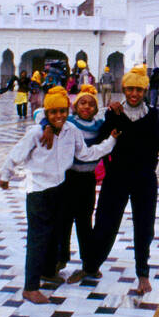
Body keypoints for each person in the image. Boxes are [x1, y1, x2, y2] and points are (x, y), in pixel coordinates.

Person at [0, 86, 118, 304]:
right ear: (46, 113)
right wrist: (5, 176)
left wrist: (110, 142)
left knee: (53, 234)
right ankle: (30, 287)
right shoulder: (36, 132)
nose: (59, 116)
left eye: (62, 111)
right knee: (38, 238)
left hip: (59, 188)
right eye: (53, 112)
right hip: (38, 191)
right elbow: (16, 155)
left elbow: (85, 153)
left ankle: (48, 272)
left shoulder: (71, 130)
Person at [72, 65, 159, 295]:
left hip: (144, 179)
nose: (134, 94)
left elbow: (155, 146)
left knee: (144, 226)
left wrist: (147, 170)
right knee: (105, 222)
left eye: (139, 90)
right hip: (118, 177)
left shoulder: (152, 115)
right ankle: (90, 267)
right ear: (124, 90)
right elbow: (100, 139)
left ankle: (143, 274)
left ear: (144, 92)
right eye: (130, 89)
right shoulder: (114, 113)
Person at [33, 83, 109, 275]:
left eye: (91, 104)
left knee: (84, 222)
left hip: (87, 180)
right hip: (68, 179)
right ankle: (61, 259)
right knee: (63, 221)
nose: (86, 107)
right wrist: (47, 126)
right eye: (82, 102)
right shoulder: (70, 123)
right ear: (75, 106)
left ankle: (88, 263)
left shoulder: (98, 126)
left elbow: (113, 119)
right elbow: (40, 112)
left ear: (96, 108)